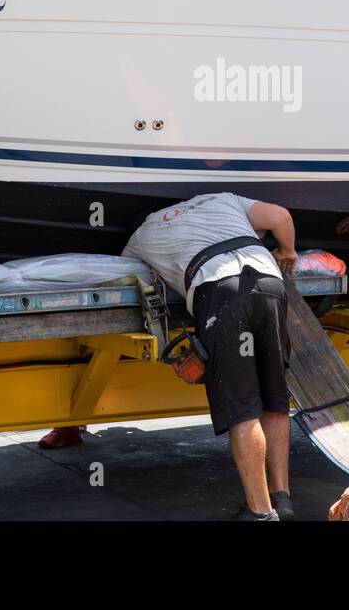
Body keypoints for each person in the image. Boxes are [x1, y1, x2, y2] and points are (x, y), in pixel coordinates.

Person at [123, 193, 297, 521]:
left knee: (242, 408)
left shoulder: (141, 236)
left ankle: (260, 513)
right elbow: (281, 217)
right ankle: (282, 500)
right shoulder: (220, 198)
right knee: (274, 399)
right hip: (270, 283)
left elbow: (123, 274)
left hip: (221, 291)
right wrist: (287, 251)